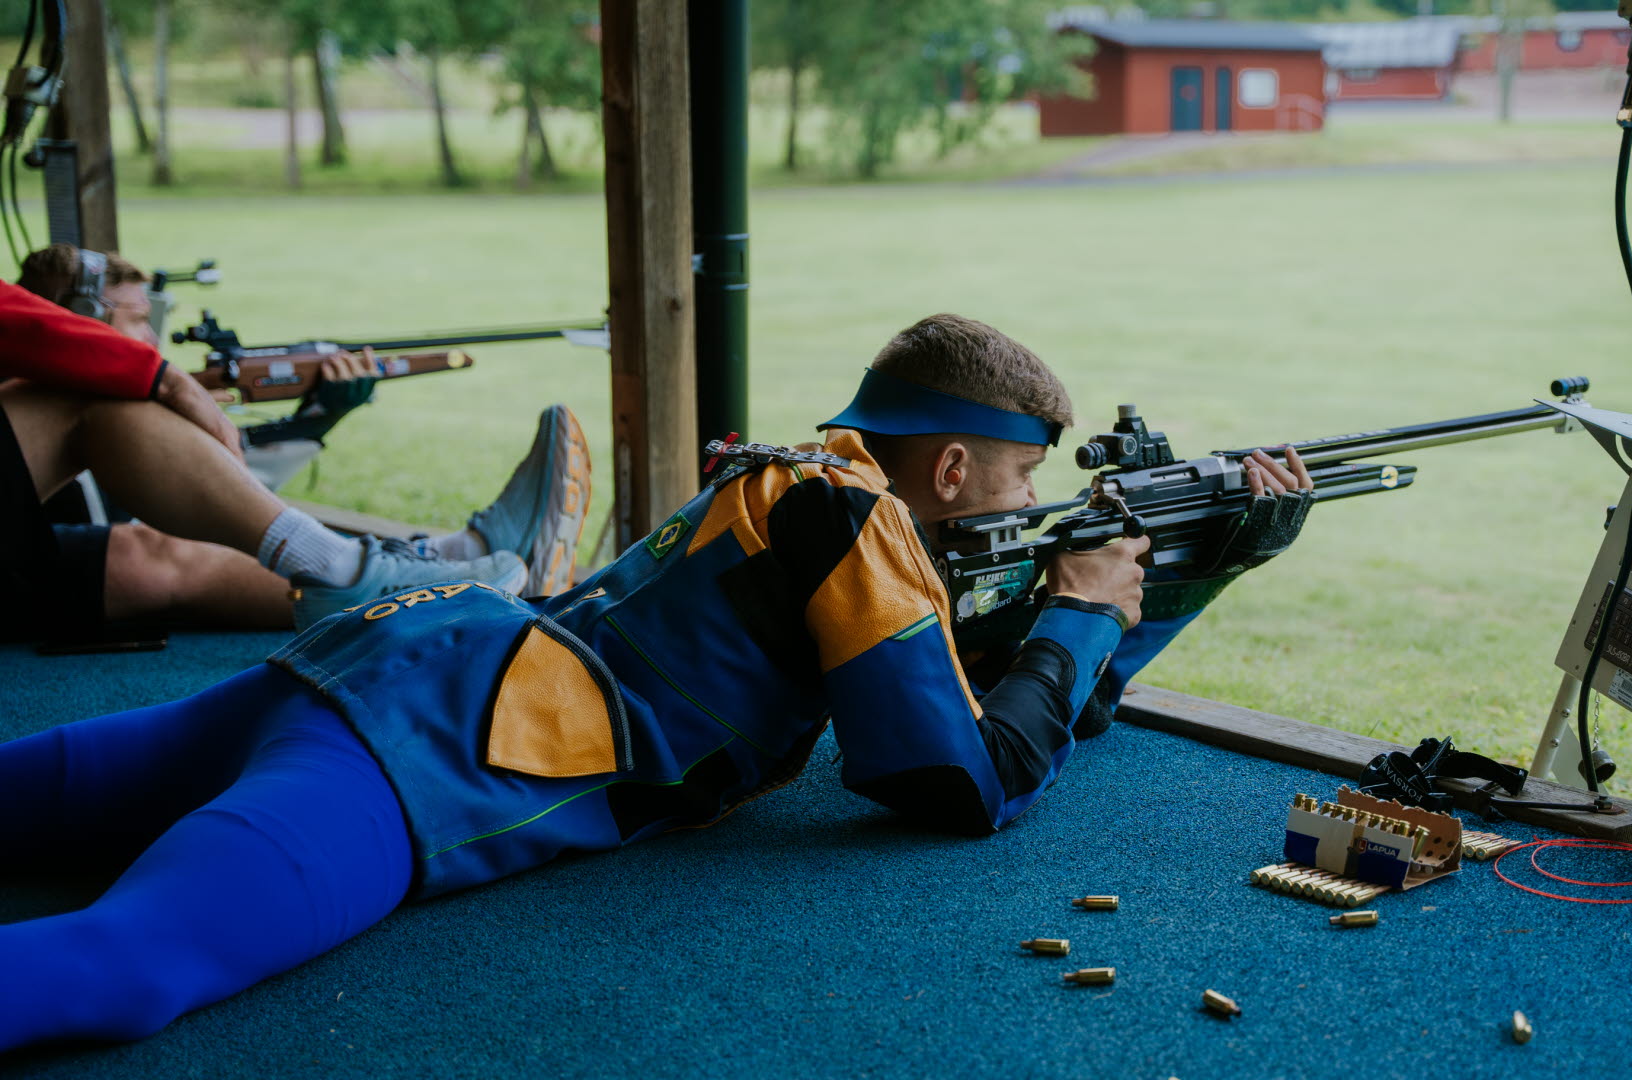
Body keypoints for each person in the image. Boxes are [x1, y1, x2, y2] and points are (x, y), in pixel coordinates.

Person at [0, 313, 1313, 1051]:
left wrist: (1188, 575)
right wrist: (1081, 617)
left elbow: (949, 683)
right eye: (1026, 478)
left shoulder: (797, 481)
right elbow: (957, 775)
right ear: (956, 472)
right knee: (127, 967)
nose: (1035, 504)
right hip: (429, 756)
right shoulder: (856, 521)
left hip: (386, 656)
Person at [2, 251, 591, 639]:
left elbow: (219, 488)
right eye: (134, 316)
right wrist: (157, 382)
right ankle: (399, 573)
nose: (151, 335)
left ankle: (449, 564)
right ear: (73, 319)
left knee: (152, 557)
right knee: (145, 545)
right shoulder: (44, 397)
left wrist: (314, 419)